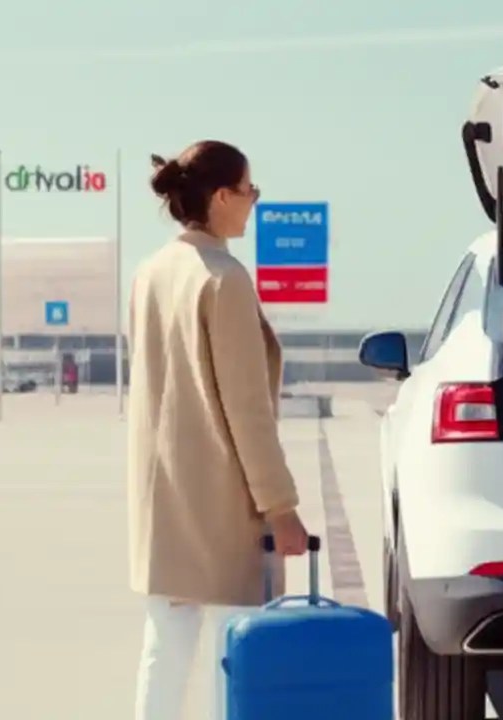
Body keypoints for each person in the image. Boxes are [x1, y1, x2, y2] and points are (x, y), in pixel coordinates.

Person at [126, 140, 310, 720]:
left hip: (162, 492)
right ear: (222, 195)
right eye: (251, 190)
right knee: (237, 648)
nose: (254, 202)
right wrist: (280, 507)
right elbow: (246, 407)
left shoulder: (151, 272)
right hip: (224, 495)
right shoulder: (224, 278)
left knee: (166, 645)